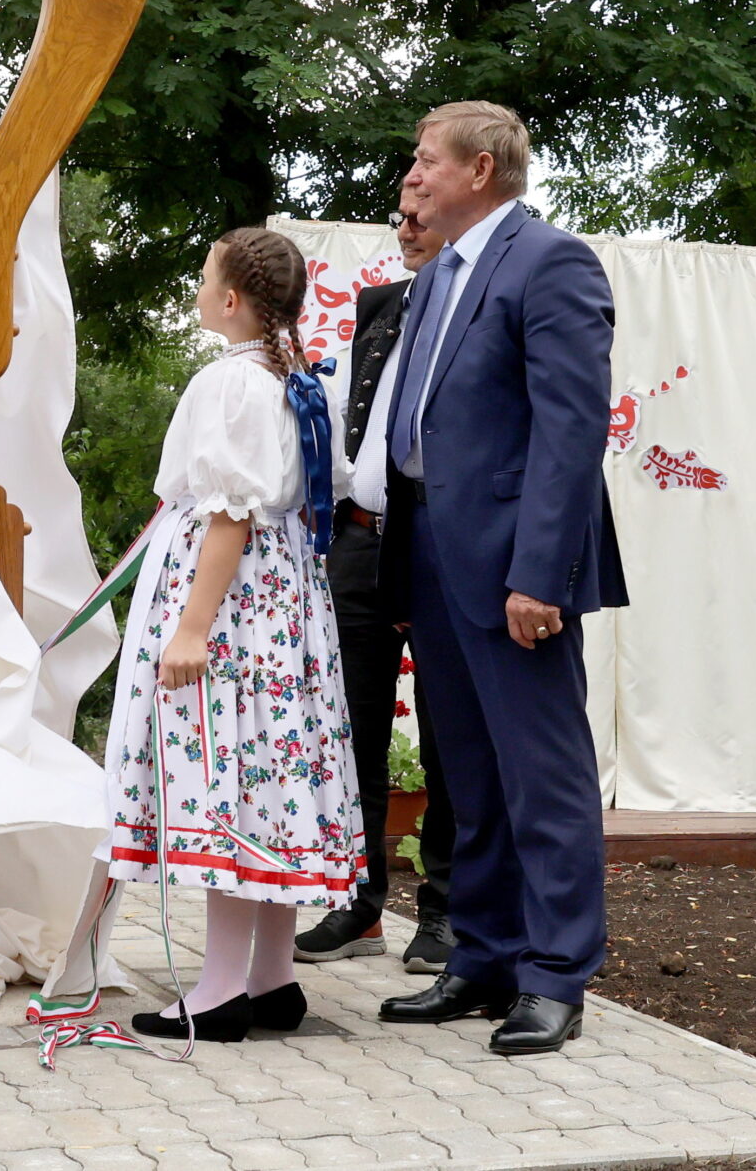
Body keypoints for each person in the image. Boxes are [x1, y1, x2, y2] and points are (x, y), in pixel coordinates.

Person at [375, 101, 626, 1058]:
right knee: (467, 775)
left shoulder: (553, 262)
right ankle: (481, 956)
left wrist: (541, 575)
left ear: (481, 169)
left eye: (424, 161)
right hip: (433, 548)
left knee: (541, 772)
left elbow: (570, 430)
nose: (411, 176)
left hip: (512, 564)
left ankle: (556, 975)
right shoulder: (440, 273)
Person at [103, 227, 364, 1044]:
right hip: (285, 599)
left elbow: (229, 513)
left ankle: (219, 993)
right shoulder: (294, 380)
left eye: (205, 276)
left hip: (236, 602)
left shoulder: (232, 384)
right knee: (269, 772)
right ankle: (271, 978)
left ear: (230, 299)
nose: (198, 288)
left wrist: (191, 628)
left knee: (229, 773)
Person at [295, 196, 458, 974]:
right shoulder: (380, 307)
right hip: (360, 542)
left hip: (439, 545)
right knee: (351, 731)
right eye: (401, 212)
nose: (406, 223)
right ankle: (358, 905)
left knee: (448, 734)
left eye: (421, 207)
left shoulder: (476, 315)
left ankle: (447, 912)